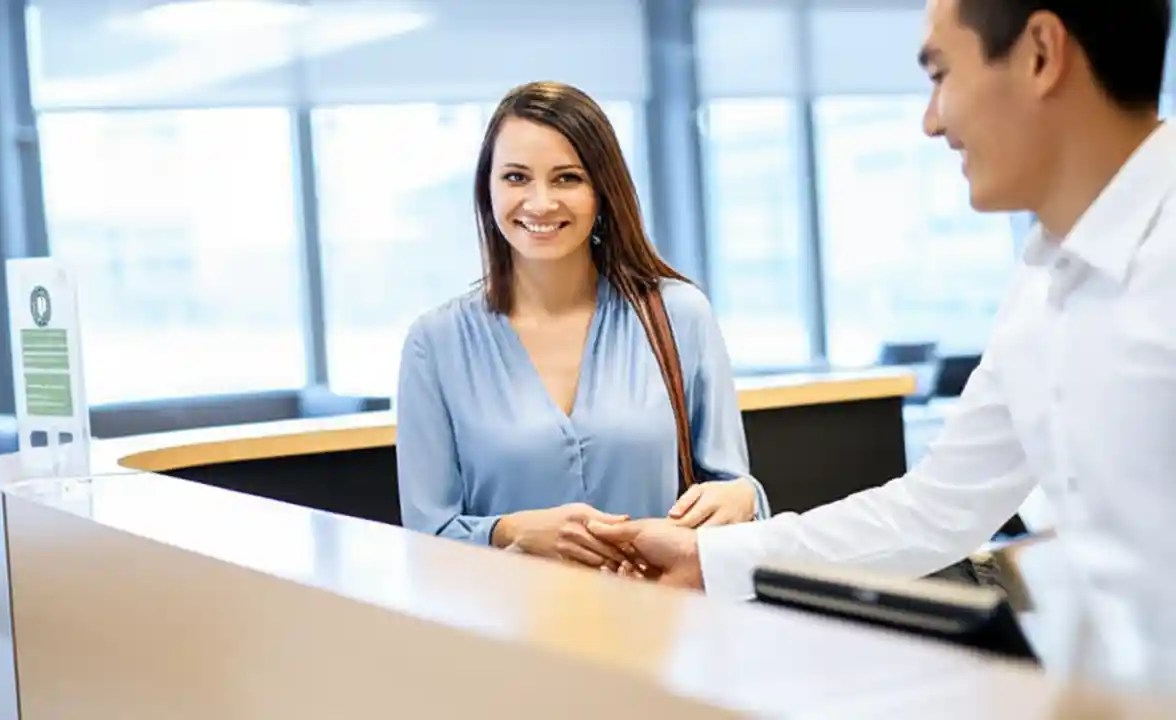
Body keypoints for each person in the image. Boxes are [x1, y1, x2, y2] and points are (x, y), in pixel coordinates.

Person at [590, 0, 1176, 691]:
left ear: (1041, 55)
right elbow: (937, 507)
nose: (932, 121)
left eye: (940, 74)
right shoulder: (1042, 281)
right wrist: (708, 559)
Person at [395, 81, 768, 571]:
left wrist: (742, 497)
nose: (541, 202)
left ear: (602, 191)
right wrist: (514, 531)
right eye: (516, 177)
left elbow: (735, 489)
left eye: (567, 178)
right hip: (502, 634)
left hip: (664, 625)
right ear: (487, 190)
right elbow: (426, 536)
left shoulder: (680, 315)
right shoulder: (435, 343)